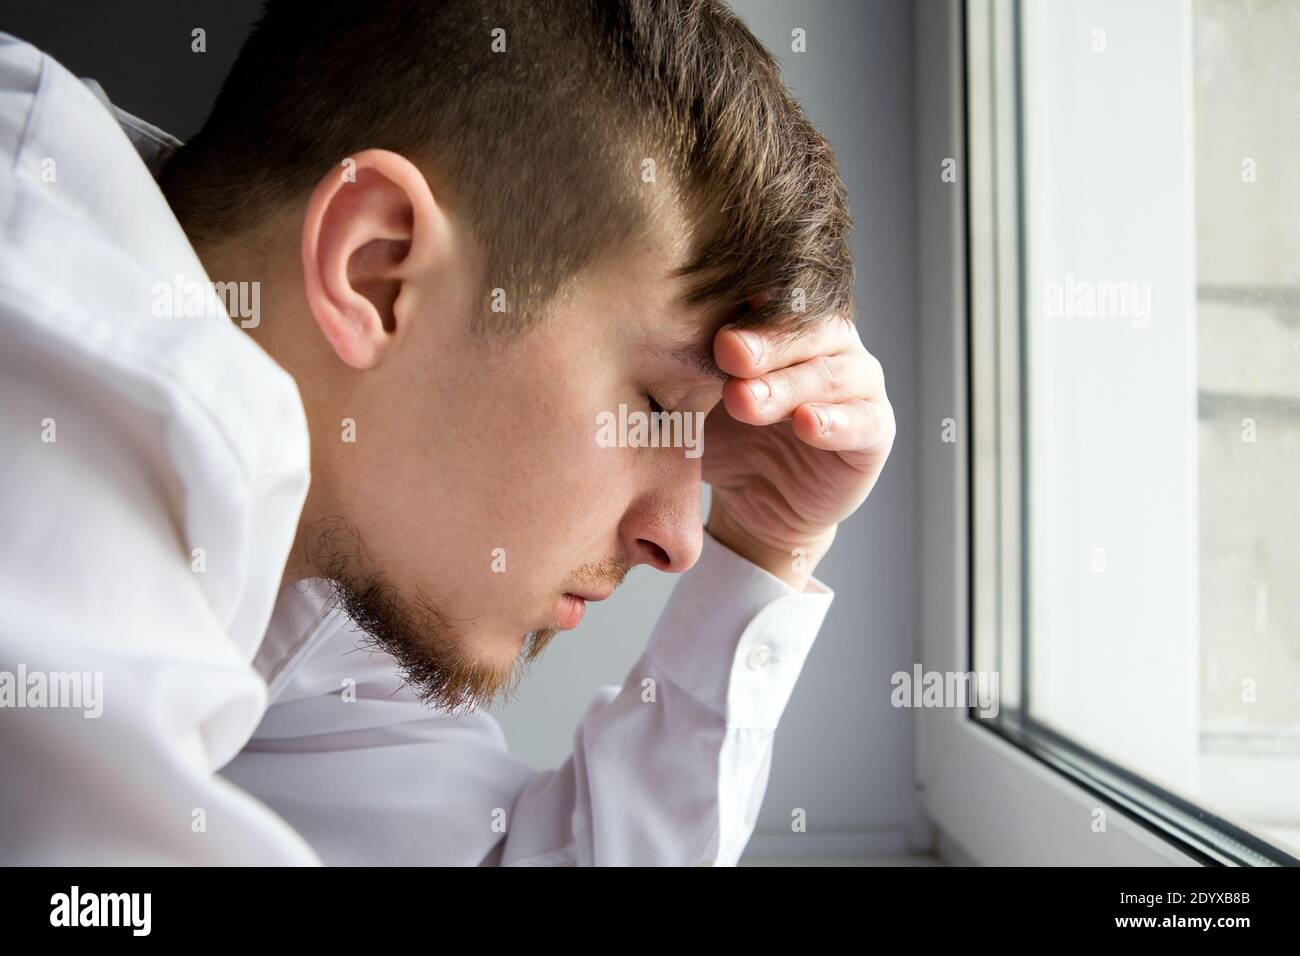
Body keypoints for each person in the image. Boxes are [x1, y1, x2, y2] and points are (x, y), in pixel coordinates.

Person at [0, 0, 895, 865]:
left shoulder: (335, 532)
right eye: (660, 408)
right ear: (378, 272)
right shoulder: (69, 369)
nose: (676, 537)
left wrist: (773, 537)